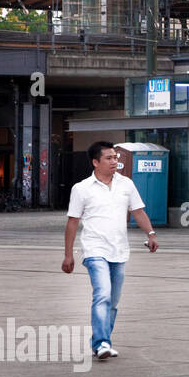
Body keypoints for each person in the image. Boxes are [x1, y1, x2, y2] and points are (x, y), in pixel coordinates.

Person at [62, 141, 158, 360]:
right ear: (95, 162)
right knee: (102, 293)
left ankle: (101, 342)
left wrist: (150, 234)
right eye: (109, 158)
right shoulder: (82, 188)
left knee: (112, 302)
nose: (115, 161)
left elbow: (138, 211)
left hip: (119, 250)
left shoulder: (126, 184)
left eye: (116, 157)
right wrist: (68, 255)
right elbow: (72, 222)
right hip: (94, 249)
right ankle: (102, 342)